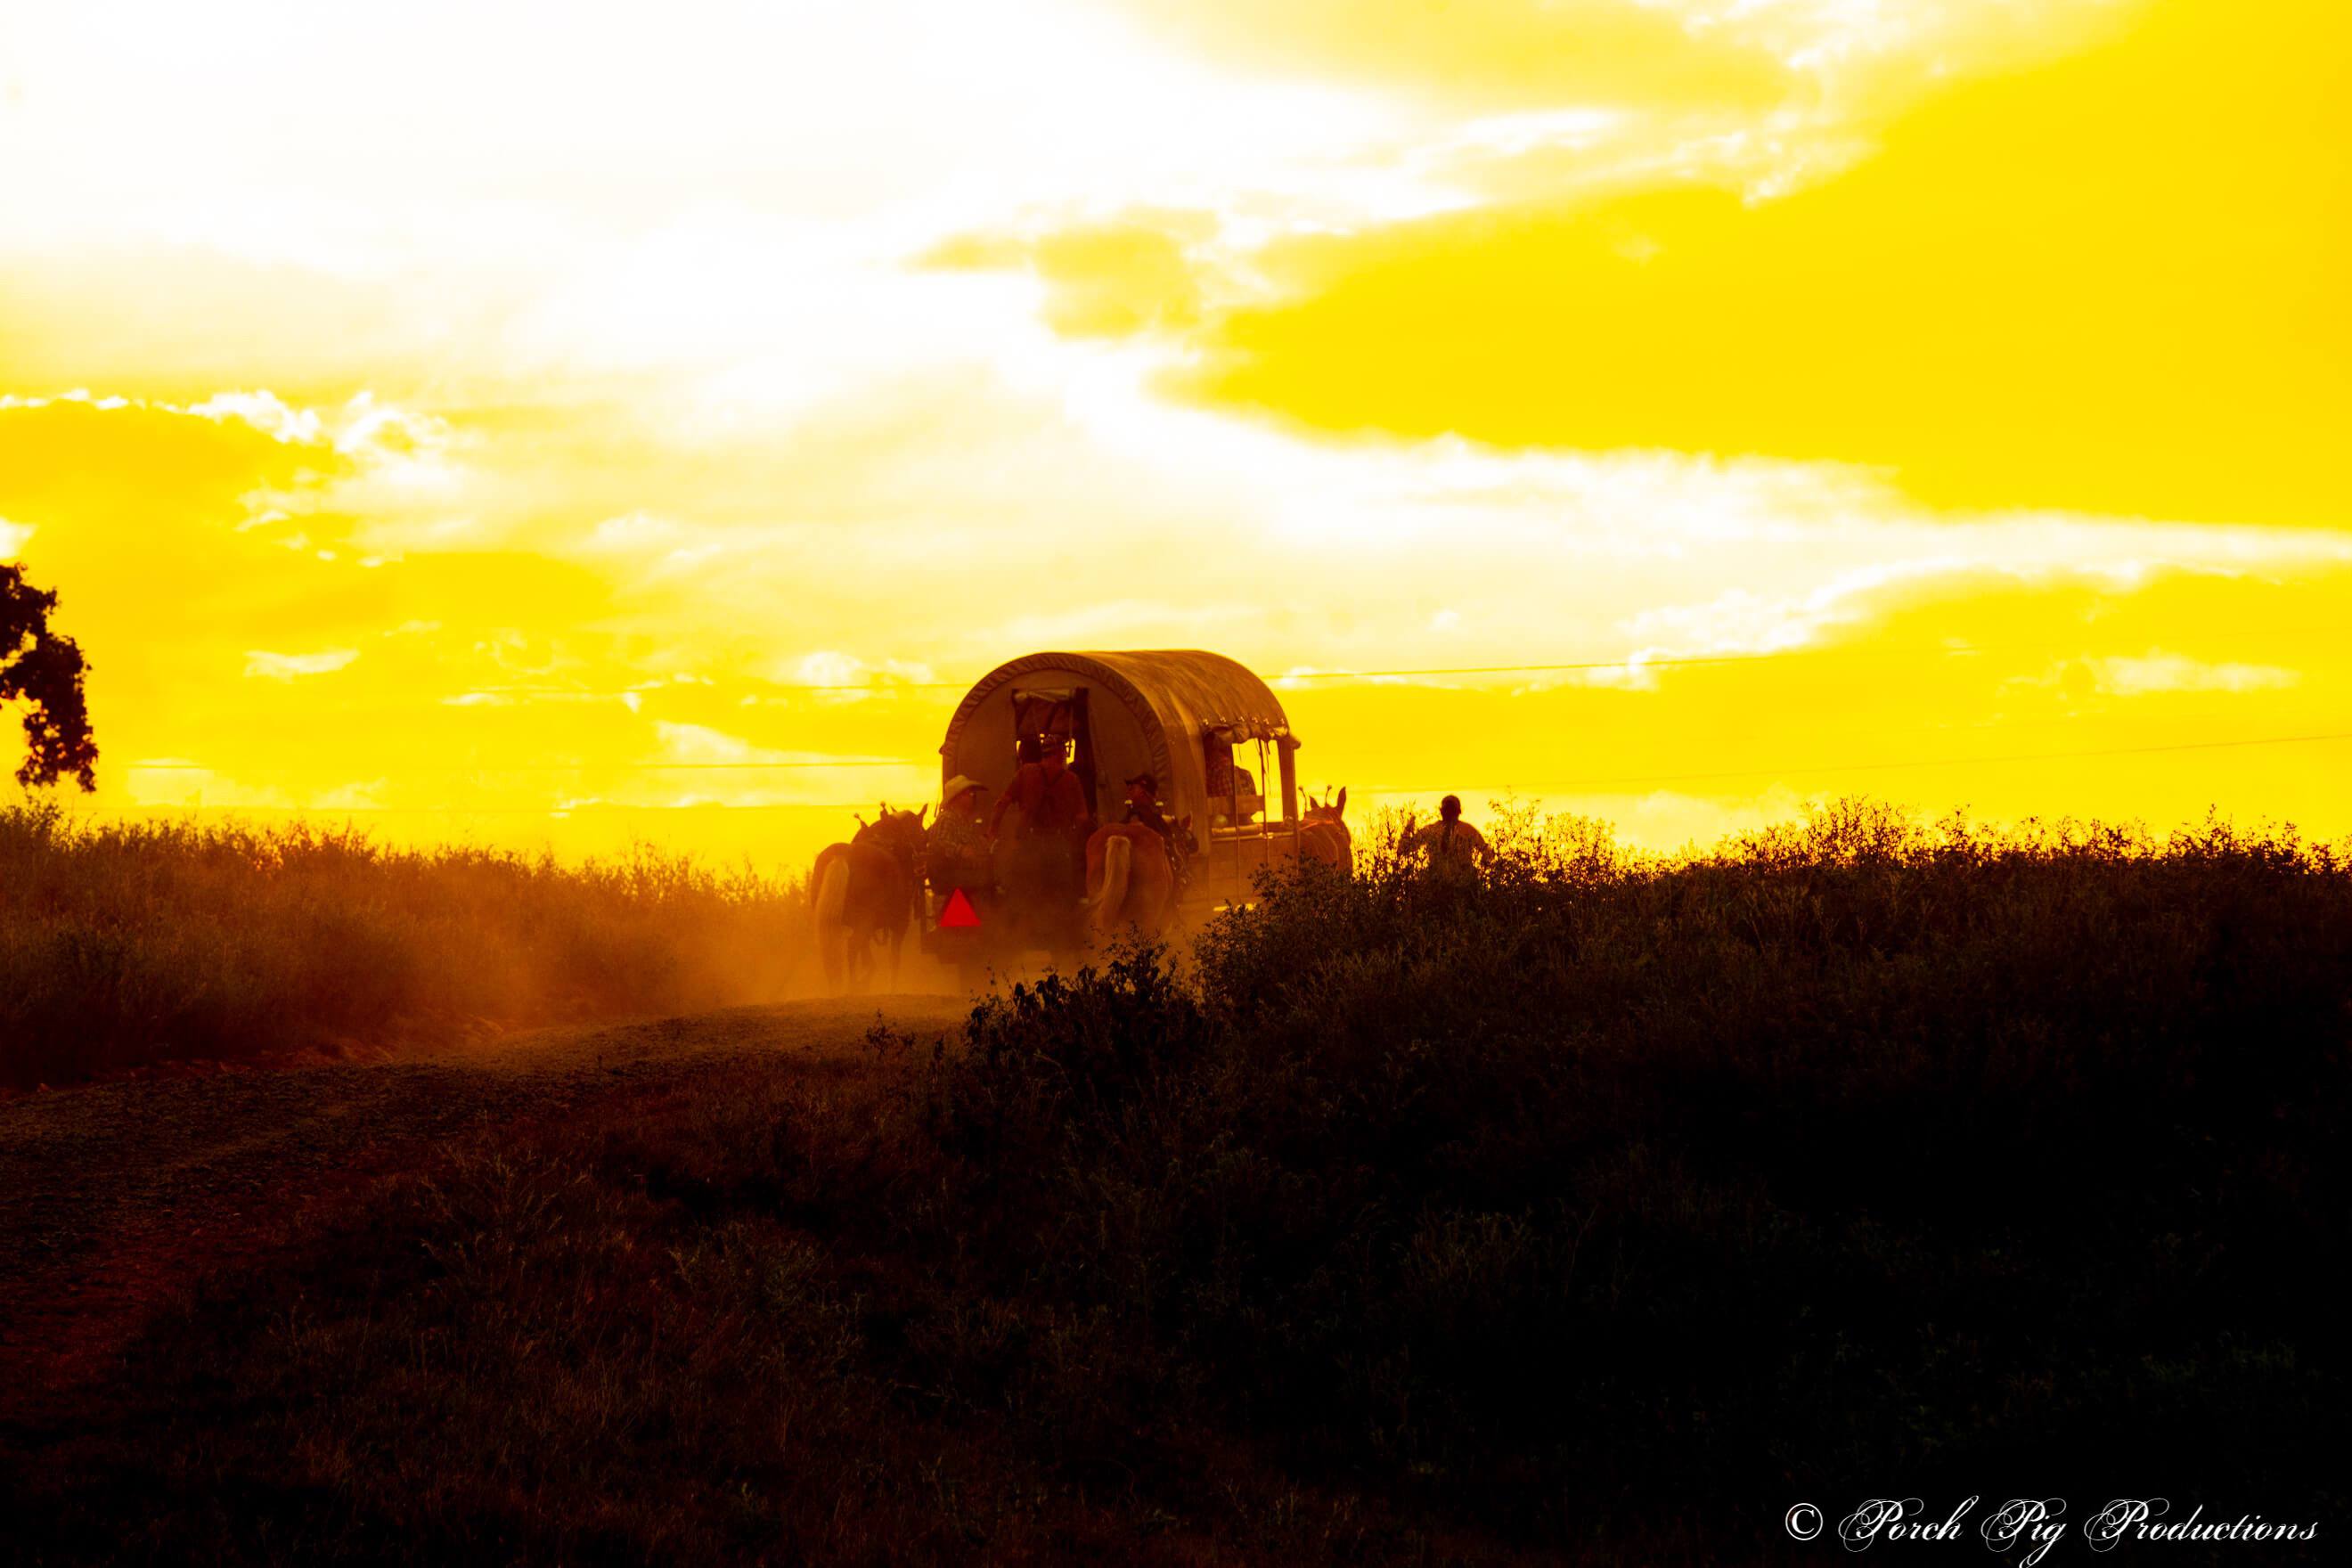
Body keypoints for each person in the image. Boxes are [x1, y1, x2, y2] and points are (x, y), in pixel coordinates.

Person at [923, 773, 992, 895]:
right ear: (957, 798)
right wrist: (961, 850)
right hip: (953, 883)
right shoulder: (947, 818)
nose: (973, 797)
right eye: (969, 794)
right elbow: (941, 843)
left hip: (965, 881)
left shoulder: (964, 821)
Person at [1401, 795, 1494, 877]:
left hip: (1441, 883)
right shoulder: (1468, 830)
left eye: (1451, 809)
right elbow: (1488, 853)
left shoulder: (1431, 830)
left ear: (1441, 811)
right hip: (1457, 883)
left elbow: (1404, 849)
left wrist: (1409, 827)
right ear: (1459, 811)